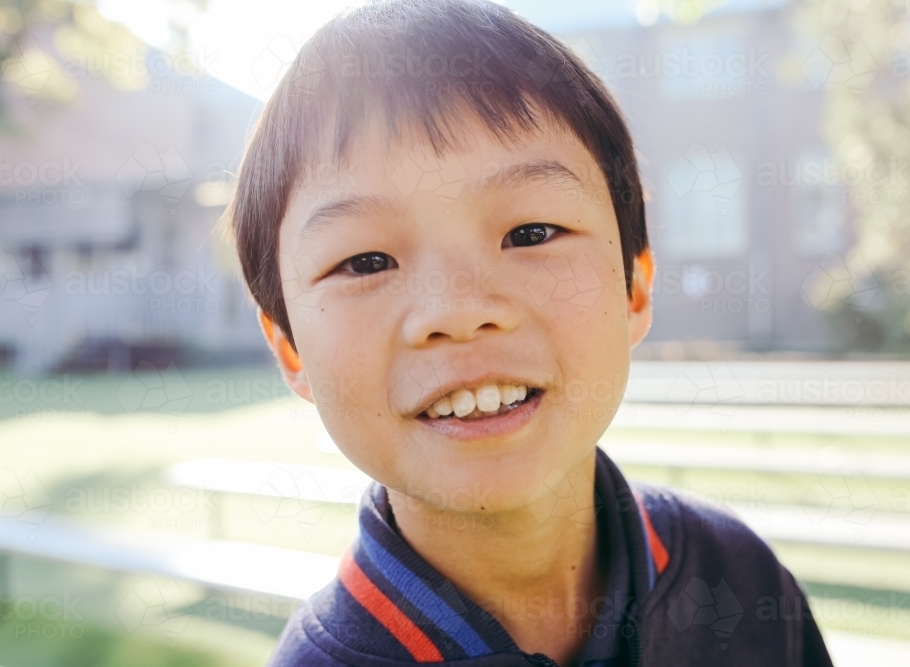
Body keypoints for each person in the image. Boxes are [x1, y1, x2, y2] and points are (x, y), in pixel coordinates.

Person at [227, 1, 833, 664]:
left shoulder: (740, 583)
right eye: (366, 261)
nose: (458, 310)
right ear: (288, 346)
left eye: (531, 233)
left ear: (633, 285)